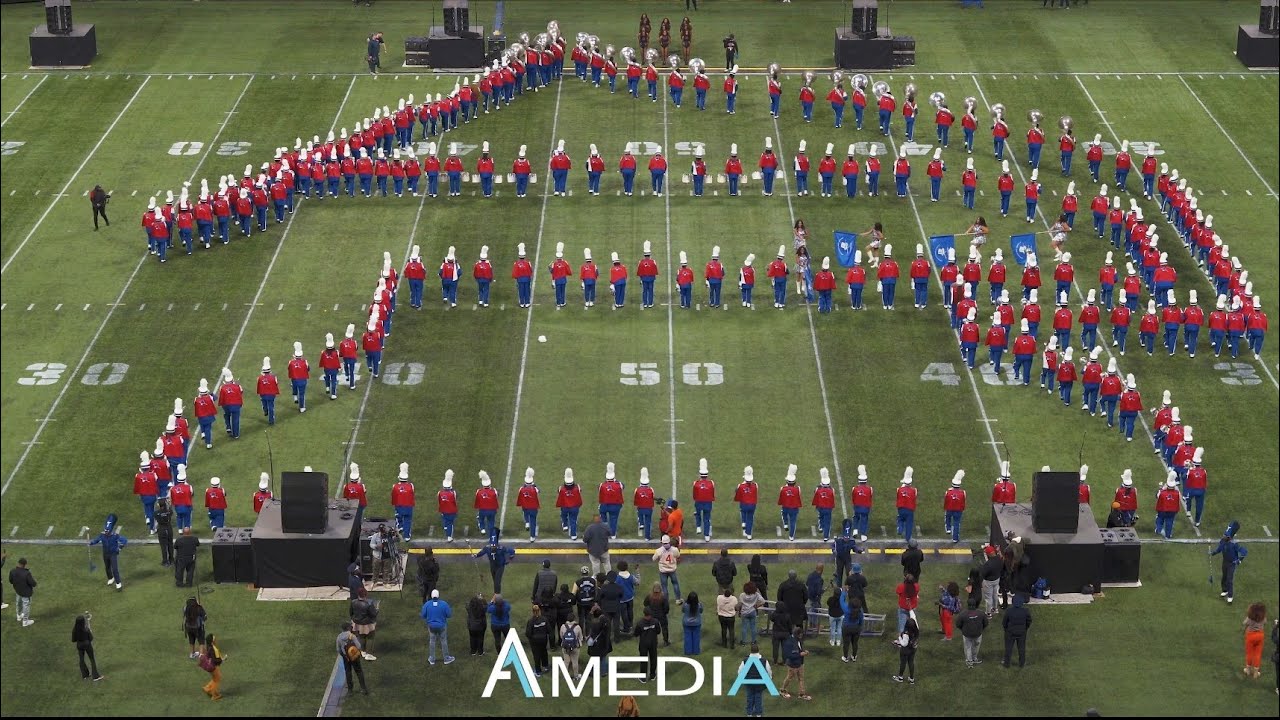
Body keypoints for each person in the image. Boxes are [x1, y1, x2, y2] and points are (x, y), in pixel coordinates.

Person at [89, 514, 128, 590]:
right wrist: (91, 543)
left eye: (107, 531)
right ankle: (110, 578)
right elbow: (96, 540)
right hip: (105, 553)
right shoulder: (102, 535)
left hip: (113, 554)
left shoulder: (115, 536)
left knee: (115, 569)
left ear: (110, 531)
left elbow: (124, 540)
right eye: (105, 531)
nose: (105, 532)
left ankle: (118, 583)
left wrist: (120, 548)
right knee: (107, 567)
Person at [1210, 521, 1244, 604]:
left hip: (1232, 563)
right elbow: (1219, 549)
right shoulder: (1222, 541)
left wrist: (1239, 560)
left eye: (1225, 535)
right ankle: (1225, 590)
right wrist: (1213, 553)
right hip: (1225, 561)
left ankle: (1230, 596)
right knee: (1224, 577)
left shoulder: (1234, 544)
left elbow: (1244, 552)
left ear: (1229, 537)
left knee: (1229, 579)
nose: (1223, 536)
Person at [336, 623, 368, 696]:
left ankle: (350, 691)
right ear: (348, 628)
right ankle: (363, 689)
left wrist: (344, 655)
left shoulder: (339, 637)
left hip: (346, 657)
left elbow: (338, 649)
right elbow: (359, 646)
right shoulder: (352, 636)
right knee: (359, 671)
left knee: (348, 672)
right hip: (354, 657)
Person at [739, 643, 771, 716]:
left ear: (751, 651)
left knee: (749, 697)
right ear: (758, 650)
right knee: (758, 697)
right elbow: (769, 670)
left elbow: (740, 671)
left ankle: (749, 713)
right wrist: (769, 678)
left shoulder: (745, 660)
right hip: (759, 683)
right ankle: (758, 713)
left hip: (749, 682)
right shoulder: (764, 660)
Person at [778, 628, 810, 700]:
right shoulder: (789, 642)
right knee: (789, 678)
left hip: (800, 663)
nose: (801, 636)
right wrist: (800, 654)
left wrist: (804, 651)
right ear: (796, 634)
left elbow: (800, 649)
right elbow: (788, 655)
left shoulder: (799, 640)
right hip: (792, 665)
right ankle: (782, 690)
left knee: (801, 678)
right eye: (800, 635)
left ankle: (802, 694)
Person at [956, 598, 989, 666]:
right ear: (975, 605)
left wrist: (963, 629)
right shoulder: (981, 613)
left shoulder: (963, 614)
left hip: (967, 634)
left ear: (968, 605)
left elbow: (958, 624)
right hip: (978, 634)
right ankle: (974, 658)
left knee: (968, 647)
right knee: (976, 646)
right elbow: (986, 623)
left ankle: (969, 662)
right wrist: (981, 629)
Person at [1002, 594, 1033, 667]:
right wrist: (1025, 628)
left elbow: (1004, 622)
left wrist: (1006, 629)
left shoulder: (1009, 611)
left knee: (1008, 648)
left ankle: (1007, 663)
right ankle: (1022, 663)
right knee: (1021, 648)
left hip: (1010, 632)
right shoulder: (1025, 611)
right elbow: (1029, 621)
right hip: (1021, 632)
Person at [633, 607, 661, 682]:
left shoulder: (640, 623)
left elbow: (636, 634)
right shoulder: (655, 621)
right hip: (653, 643)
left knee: (643, 660)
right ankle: (652, 675)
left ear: (644, 613)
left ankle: (643, 678)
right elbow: (658, 631)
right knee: (653, 659)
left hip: (643, 644)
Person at [73, 613, 104, 680]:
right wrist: (89, 632)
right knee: (92, 659)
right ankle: (95, 676)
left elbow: (73, 640)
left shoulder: (75, 630)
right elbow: (91, 638)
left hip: (79, 645)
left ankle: (85, 675)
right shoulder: (86, 629)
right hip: (87, 645)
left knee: (81, 659)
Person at [653, 535, 682, 603]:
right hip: (672, 569)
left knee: (664, 586)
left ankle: (666, 601)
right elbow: (678, 556)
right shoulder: (675, 549)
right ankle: (678, 599)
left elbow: (653, 559)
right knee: (675, 584)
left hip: (663, 571)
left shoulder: (659, 551)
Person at [777, 569, 808, 634]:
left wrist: (783, 606)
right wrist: (802, 603)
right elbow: (806, 596)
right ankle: (799, 637)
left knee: (787, 625)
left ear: (788, 576)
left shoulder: (783, 585)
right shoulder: (801, 585)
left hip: (786, 608)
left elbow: (779, 598)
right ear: (796, 576)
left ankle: (788, 637)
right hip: (798, 609)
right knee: (799, 625)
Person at [525, 605, 552, 676]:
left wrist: (532, 638)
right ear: (539, 610)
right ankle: (545, 666)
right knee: (544, 652)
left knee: (536, 655)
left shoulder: (531, 621)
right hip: (543, 639)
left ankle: (538, 671)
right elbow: (549, 630)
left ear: (533, 611)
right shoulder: (544, 619)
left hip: (535, 641)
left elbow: (528, 633)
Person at [1242, 602, 1267, 680]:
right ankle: (1256, 673)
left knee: (1249, 653)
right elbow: (1265, 623)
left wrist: (1244, 630)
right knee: (1257, 654)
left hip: (1250, 636)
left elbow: (1244, 623)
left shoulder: (1249, 618)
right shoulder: (1263, 618)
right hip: (1260, 636)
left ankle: (1248, 670)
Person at [893, 615, 920, 683]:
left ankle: (900, 678)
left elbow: (904, 644)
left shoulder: (906, 633)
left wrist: (899, 637)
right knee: (911, 662)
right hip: (913, 649)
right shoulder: (916, 630)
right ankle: (911, 679)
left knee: (903, 663)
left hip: (905, 650)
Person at [643, 582, 671, 647]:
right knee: (664, 628)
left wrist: (650, 610)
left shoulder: (649, 596)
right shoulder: (663, 596)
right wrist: (665, 613)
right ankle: (666, 641)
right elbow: (666, 607)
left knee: (653, 629)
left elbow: (645, 604)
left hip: (652, 615)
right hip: (662, 615)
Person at [559, 610, 584, 679]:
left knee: (566, 662)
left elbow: (561, 636)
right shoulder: (578, 627)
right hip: (575, 646)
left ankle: (565, 676)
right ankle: (576, 675)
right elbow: (581, 637)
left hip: (565, 646)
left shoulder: (563, 626)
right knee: (575, 661)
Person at [200, 632, 226, 700]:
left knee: (215, 678)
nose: (215, 640)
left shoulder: (209, 647)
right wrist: (222, 660)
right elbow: (215, 660)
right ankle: (214, 695)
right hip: (213, 666)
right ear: (212, 641)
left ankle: (207, 688)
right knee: (217, 679)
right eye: (214, 639)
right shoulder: (213, 649)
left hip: (209, 665)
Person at [738, 581, 764, 646]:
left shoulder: (742, 595)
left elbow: (740, 604)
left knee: (744, 627)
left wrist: (739, 612)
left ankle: (743, 642)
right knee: (753, 627)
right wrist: (757, 606)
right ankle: (753, 641)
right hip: (752, 611)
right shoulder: (756, 594)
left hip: (744, 612)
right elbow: (763, 601)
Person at [805, 565, 825, 633]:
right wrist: (822, 591)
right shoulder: (820, 579)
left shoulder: (810, 575)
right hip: (815, 597)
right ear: (822, 570)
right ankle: (814, 626)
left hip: (809, 595)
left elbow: (807, 583)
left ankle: (811, 624)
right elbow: (818, 591)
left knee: (811, 610)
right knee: (815, 611)